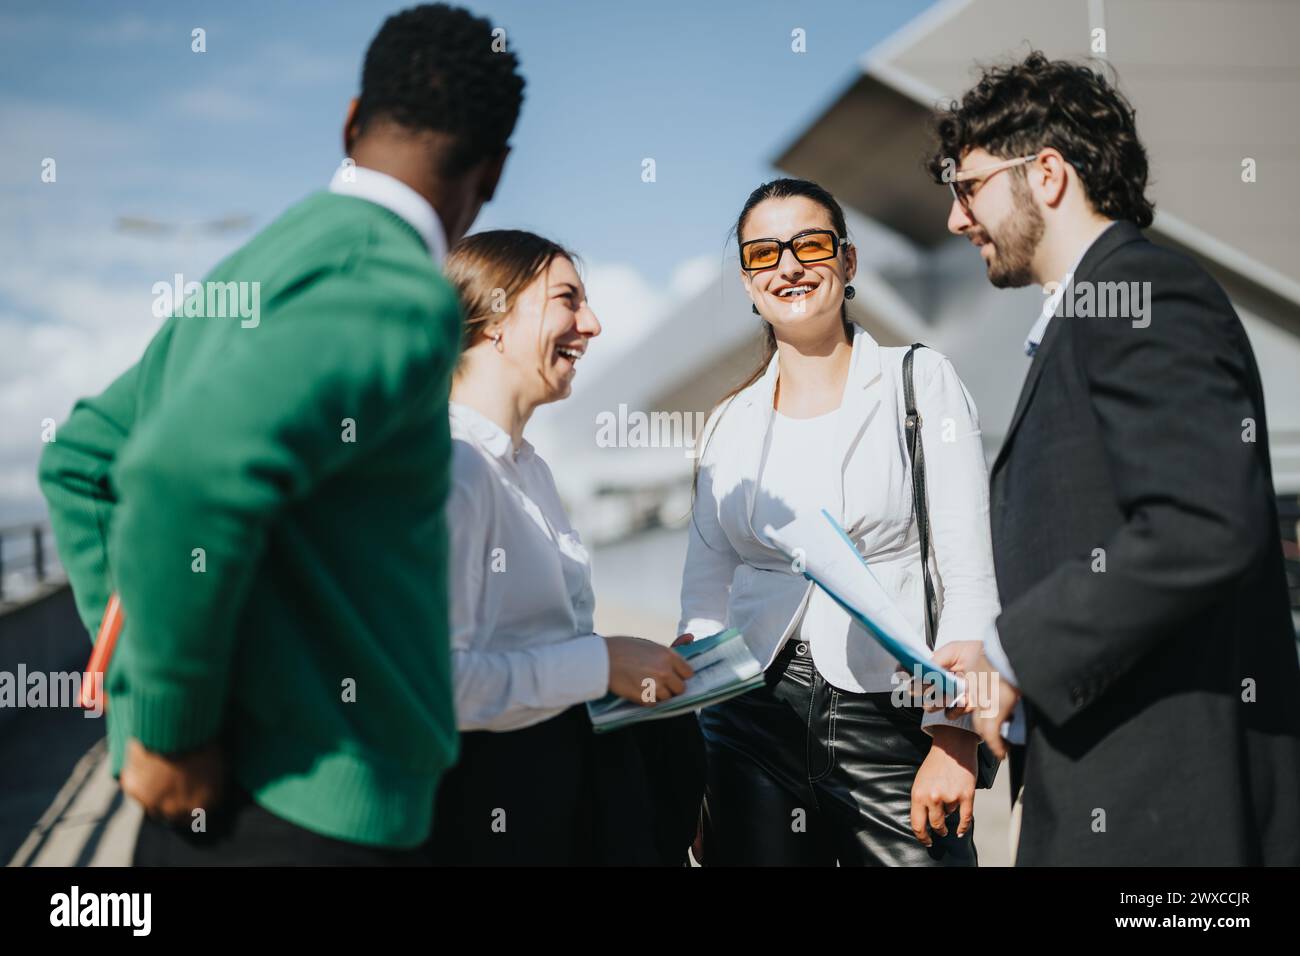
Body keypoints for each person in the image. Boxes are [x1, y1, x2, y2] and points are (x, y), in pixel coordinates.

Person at [38, 3, 524, 865]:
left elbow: (85, 461)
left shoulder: (266, 262)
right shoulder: (402, 291)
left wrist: (143, 706)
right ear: (493, 170)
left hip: (212, 811)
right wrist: (172, 726)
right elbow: (187, 473)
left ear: (350, 120)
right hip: (310, 819)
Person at [927, 52, 1300, 865]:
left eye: (967, 185)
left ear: (1048, 174)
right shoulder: (1095, 311)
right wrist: (998, 643)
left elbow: (1202, 523)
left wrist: (1017, 651)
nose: (957, 218)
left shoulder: (1141, 295)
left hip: (1174, 821)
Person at [678, 178, 1001, 866]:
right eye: (763, 254)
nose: (788, 266)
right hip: (749, 721)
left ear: (847, 263)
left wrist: (955, 736)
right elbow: (703, 602)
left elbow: (968, 572)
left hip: (894, 718)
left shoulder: (922, 382)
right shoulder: (727, 423)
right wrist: (694, 775)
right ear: (746, 280)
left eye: (810, 244)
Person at [426, 230, 701, 865]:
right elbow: (437, 683)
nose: (593, 324)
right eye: (567, 300)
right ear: (495, 321)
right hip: (486, 812)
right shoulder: (455, 468)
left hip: (552, 796)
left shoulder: (531, 469)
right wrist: (600, 663)